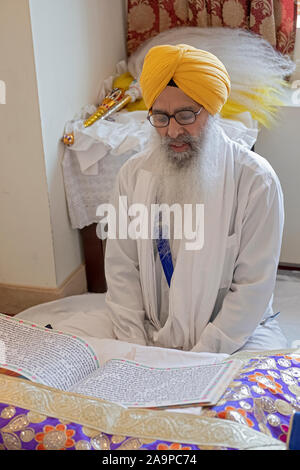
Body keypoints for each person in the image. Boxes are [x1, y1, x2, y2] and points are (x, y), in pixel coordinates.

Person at [103, 44, 287, 354]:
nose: (173, 131)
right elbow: (122, 269)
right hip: (150, 330)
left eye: (186, 115)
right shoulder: (132, 175)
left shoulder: (256, 182)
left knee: (253, 396)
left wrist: (199, 357)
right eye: (160, 117)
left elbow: (253, 287)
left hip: (235, 336)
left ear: (212, 111)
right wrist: (134, 350)